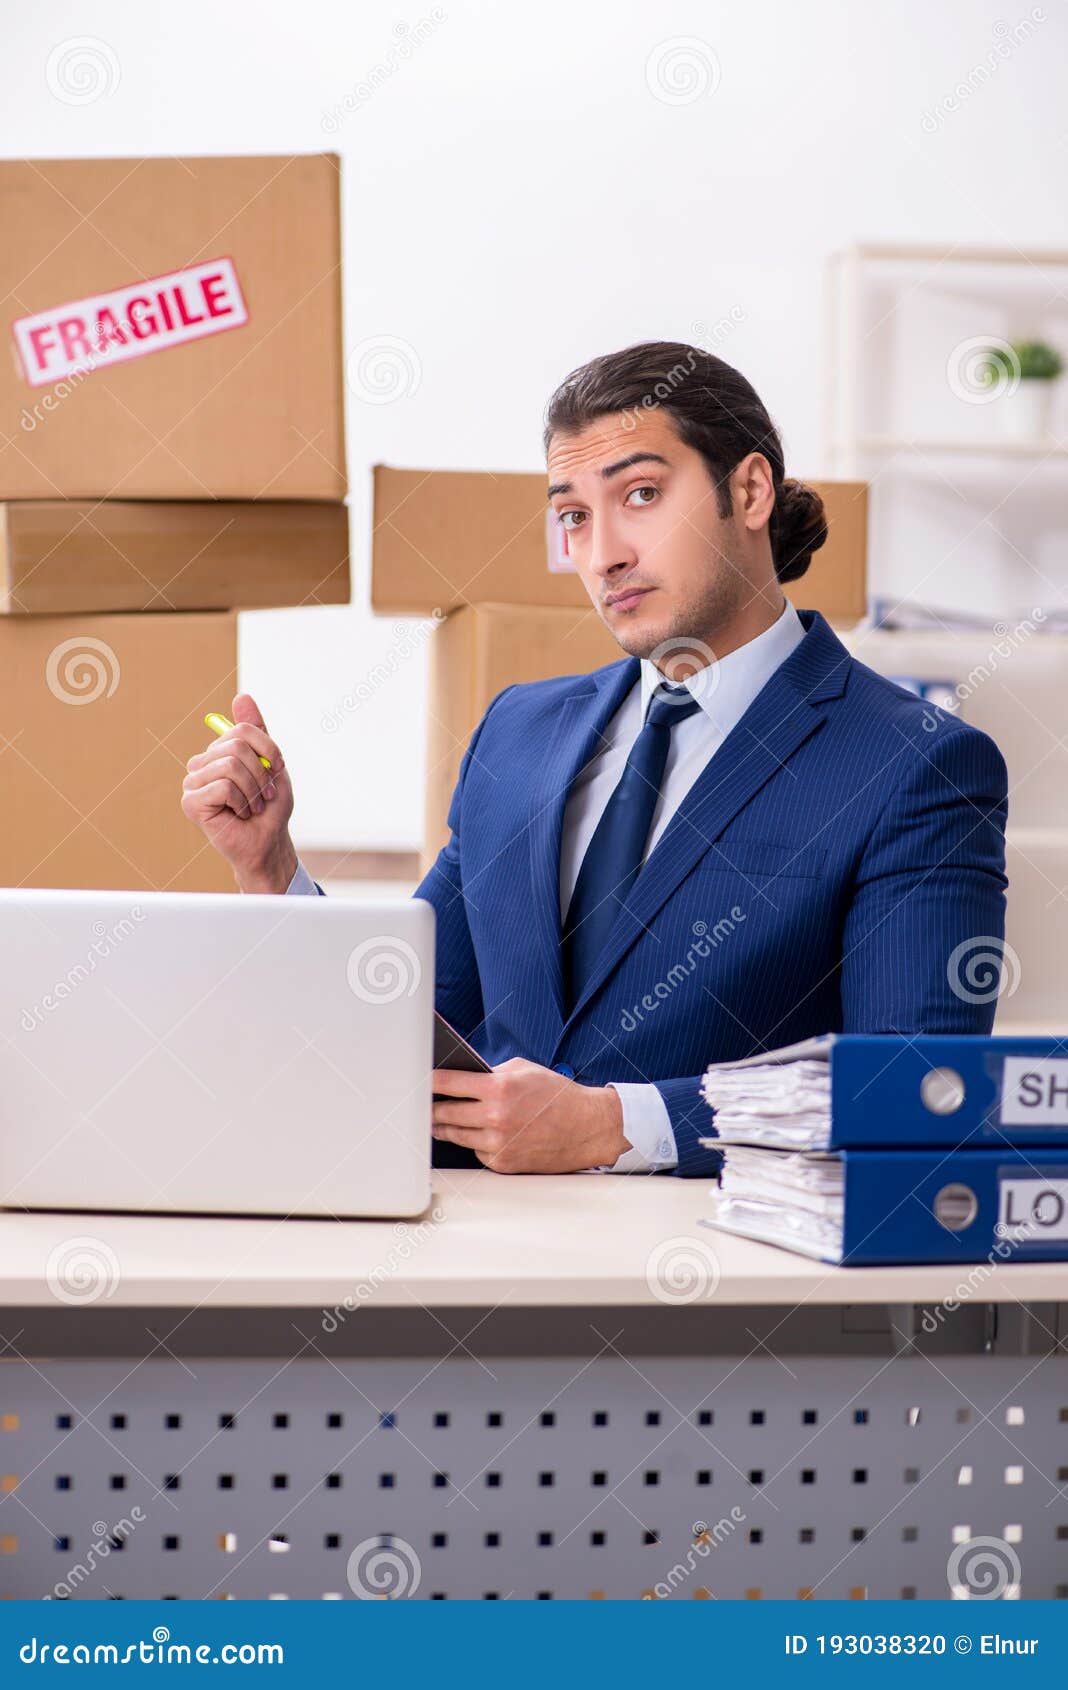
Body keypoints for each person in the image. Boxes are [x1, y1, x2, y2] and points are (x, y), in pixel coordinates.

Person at [181, 341, 1009, 1178]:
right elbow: (414, 1017)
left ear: (749, 490)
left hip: (723, 1281)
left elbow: (921, 1085)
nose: (603, 552)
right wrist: (273, 871)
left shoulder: (916, 764)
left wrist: (619, 1126)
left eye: (641, 495)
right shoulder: (518, 732)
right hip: (470, 1264)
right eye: (573, 515)